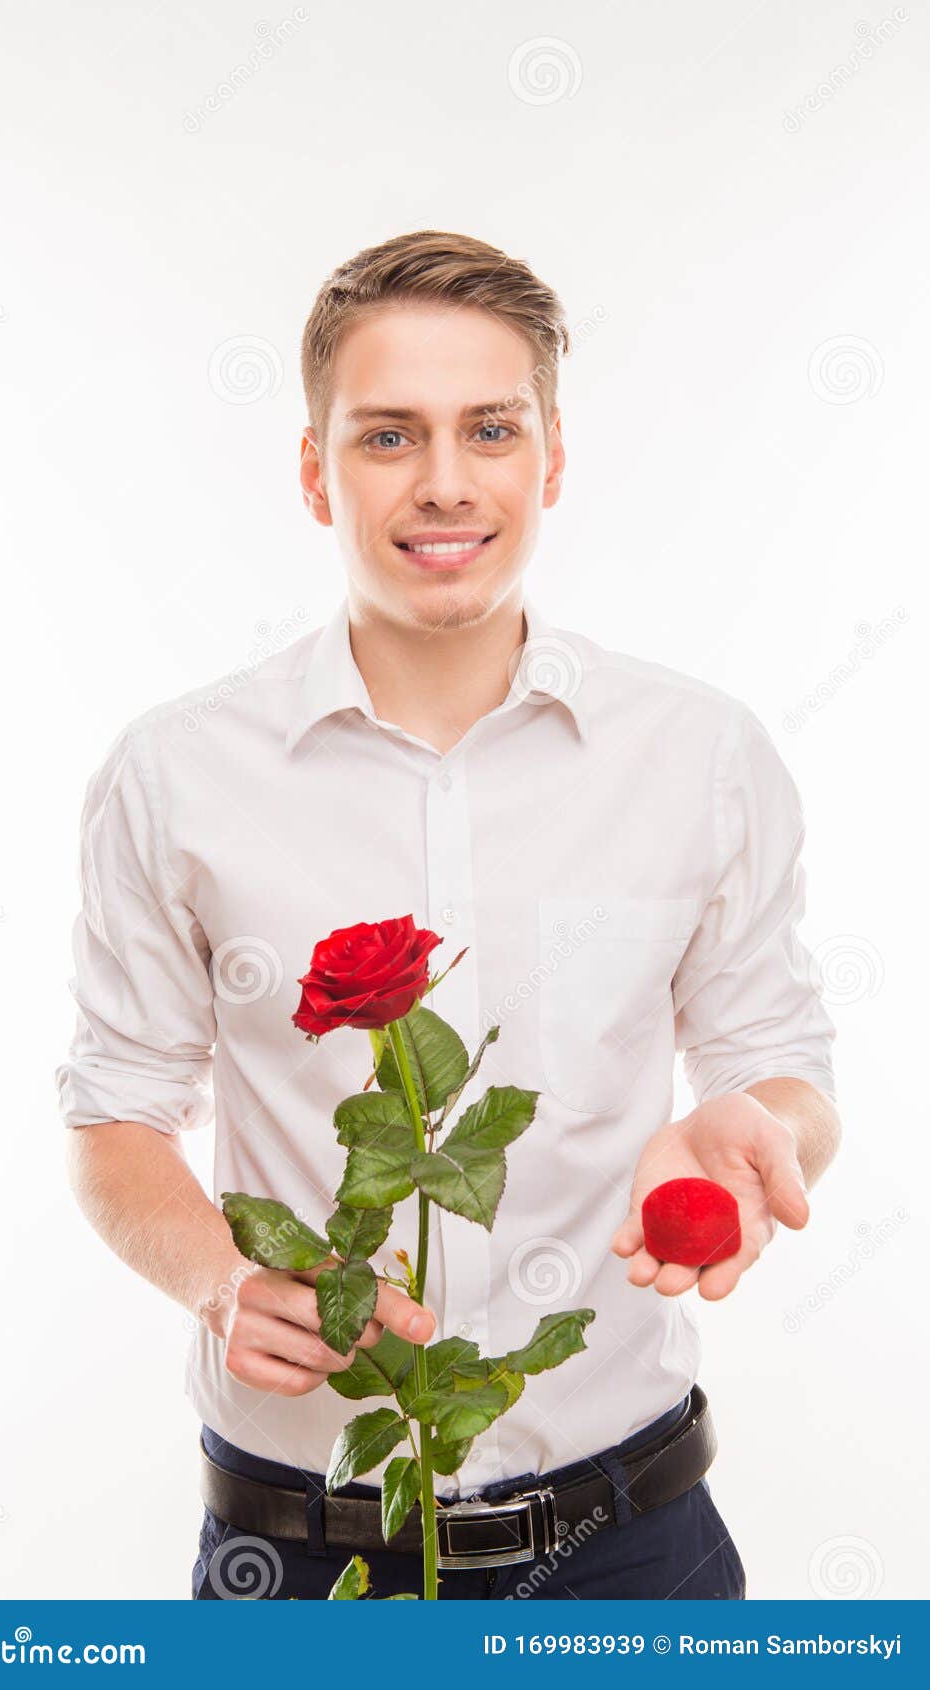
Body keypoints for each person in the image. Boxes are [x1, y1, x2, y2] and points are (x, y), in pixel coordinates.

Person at [56, 230, 841, 1601]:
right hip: (298, 1561)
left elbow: (780, 1061)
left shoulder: (699, 753)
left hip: (631, 1547)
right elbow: (116, 1113)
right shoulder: (176, 774)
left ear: (551, 456)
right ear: (315, 471)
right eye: (386, 436)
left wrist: (763, 1131)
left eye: (490, 428)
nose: (444, 483)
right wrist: (217, 1277)